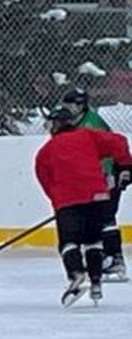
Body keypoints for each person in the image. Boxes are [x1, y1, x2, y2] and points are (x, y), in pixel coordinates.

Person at [34, 105, 132, 306]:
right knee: (93, 241)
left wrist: (58, 203)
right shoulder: (89, 136)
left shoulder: (46, 151)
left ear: (56, 125)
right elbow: (120, 142)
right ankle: (96, 283)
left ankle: (76, 274)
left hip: (68, 201)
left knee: (69, 243)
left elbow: (44, 179)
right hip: (97, 196)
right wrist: (126, 165)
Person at [62, 87, 127, 282]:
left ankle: (115, 260)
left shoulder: (91, 124)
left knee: (105, 217)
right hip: (94, 179)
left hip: (106, 176)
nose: (67, 109)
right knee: (98, 218)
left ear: (80, 106)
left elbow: (107, 153)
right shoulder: (75, 124)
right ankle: (108, 259)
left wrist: (105, 178)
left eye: (70, 105)